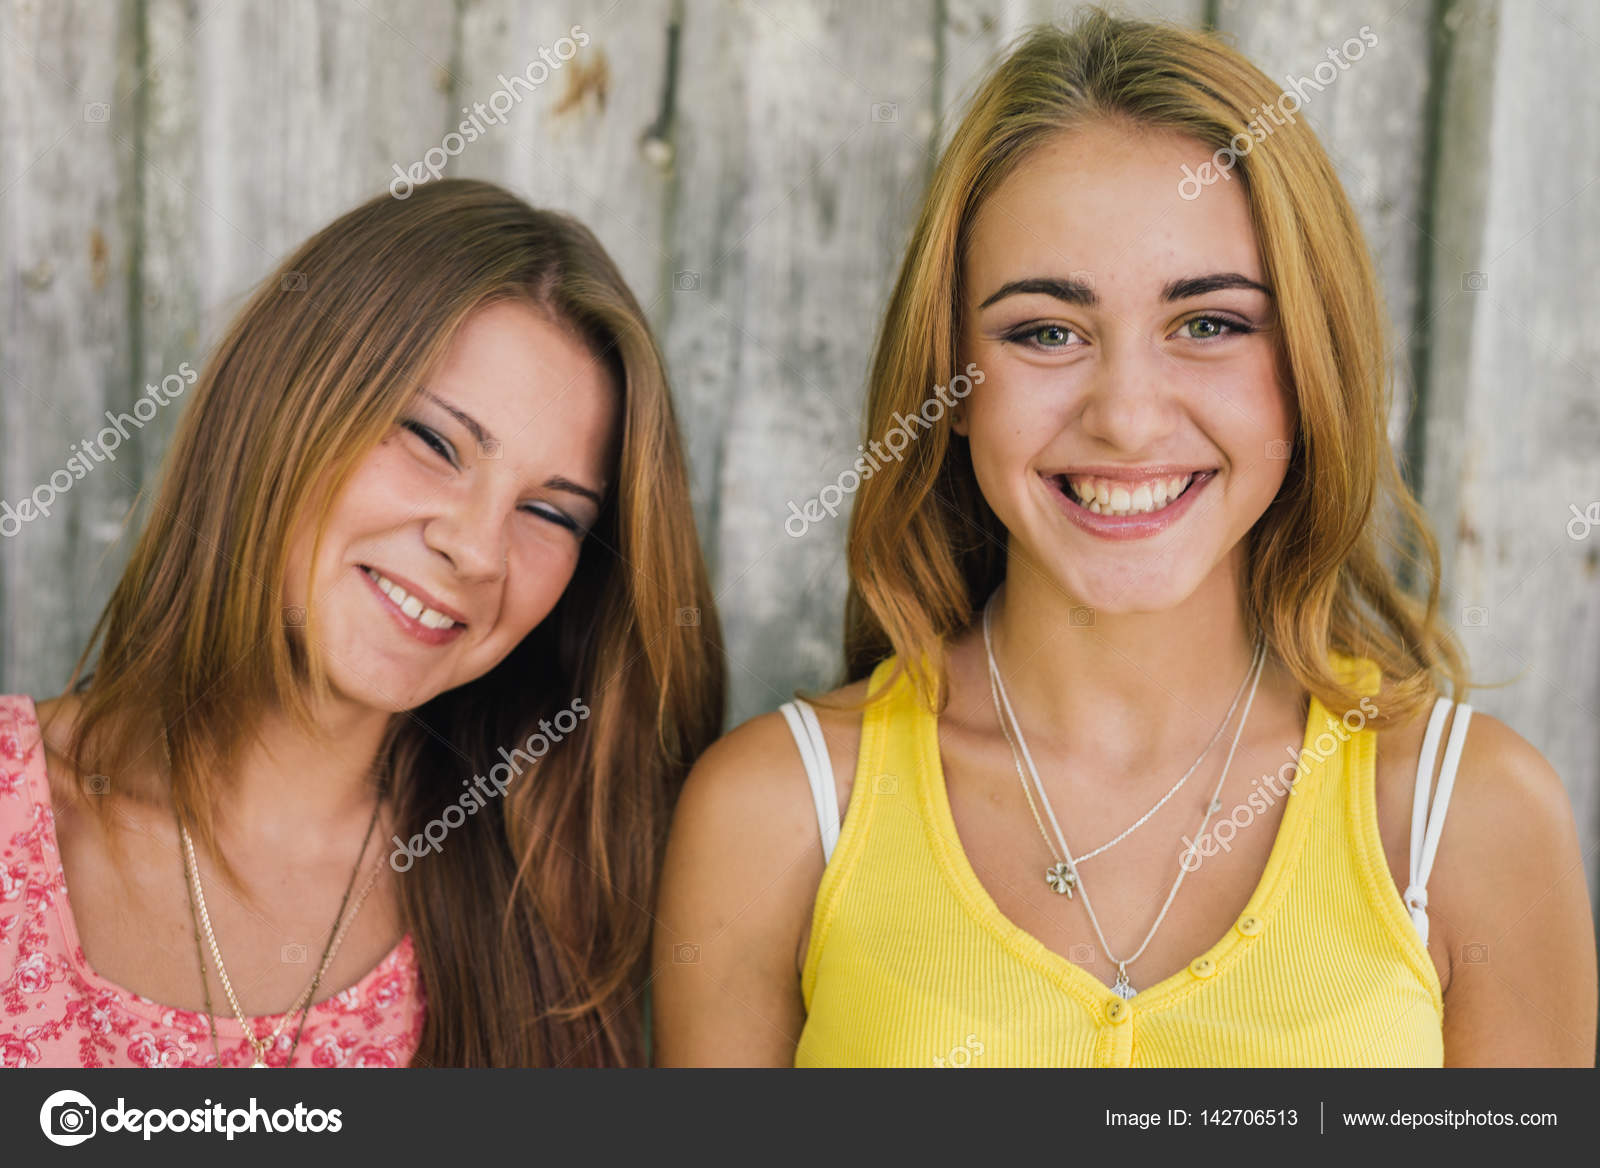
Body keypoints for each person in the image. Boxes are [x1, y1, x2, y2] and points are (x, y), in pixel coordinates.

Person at [652, 9, 1596, 1066]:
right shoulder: (774, 814)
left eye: (1209, 323)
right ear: (949, 382)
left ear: (1308, 368)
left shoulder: (1466, 815)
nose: (1129, 416)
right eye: (1045, 331)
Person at [0, 179, 725, 1068]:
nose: (479, 550)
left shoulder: (543, 913)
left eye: (552, 513)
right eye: (434, 441)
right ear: (283, 404)